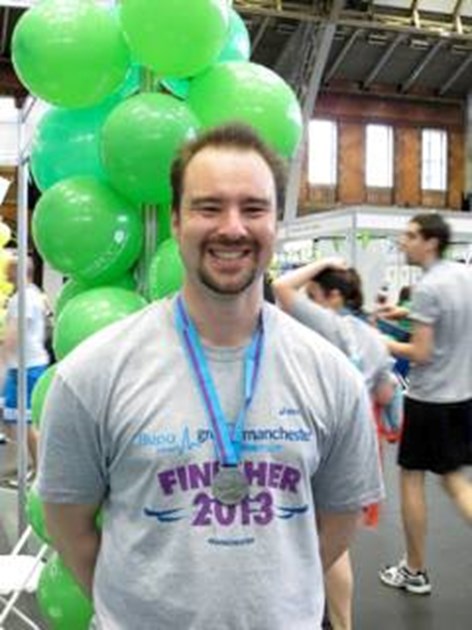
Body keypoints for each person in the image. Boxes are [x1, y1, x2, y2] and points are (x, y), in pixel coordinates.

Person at [38, 123, 384, 630]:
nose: (232, 227)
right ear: (177, 221)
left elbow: (338, 519)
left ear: (276, 224)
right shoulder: (93, 373)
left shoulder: (331, 375)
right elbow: (69, 527)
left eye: (253, 208)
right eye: (209, 207)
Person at [273, 258, 394, 630]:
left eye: (314, 295)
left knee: (319, 535)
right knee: (339, 536)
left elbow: (280, 287)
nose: (308, 303)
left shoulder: (327, 323)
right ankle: (341, 621)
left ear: (334, 296)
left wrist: (322, 261)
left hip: (323, 437)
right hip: (361, 442)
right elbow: (386, 395)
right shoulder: (372, 335)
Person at [379, 212, 472, 595]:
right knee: (454, 481)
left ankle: (414, 570)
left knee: (412, 478)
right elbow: (450, 316)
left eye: (412, 235)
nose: (404, 241)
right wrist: (407, 313)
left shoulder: (430, 287)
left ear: (431, 242)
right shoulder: (463, 275)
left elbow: (420, 353)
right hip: (462, 397)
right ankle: (413, 567)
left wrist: (381, 342)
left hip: (429, 400)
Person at [0, 254, 50, 475]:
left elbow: (14, 333)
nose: (6, 276)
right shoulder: (35, 295)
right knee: (14, 419)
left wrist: (2, 359)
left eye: (9, 271)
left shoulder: (23, 299)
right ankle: (29, 466)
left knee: (25, 422)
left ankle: (39, 471)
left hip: (26, 368)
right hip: (24, 366)